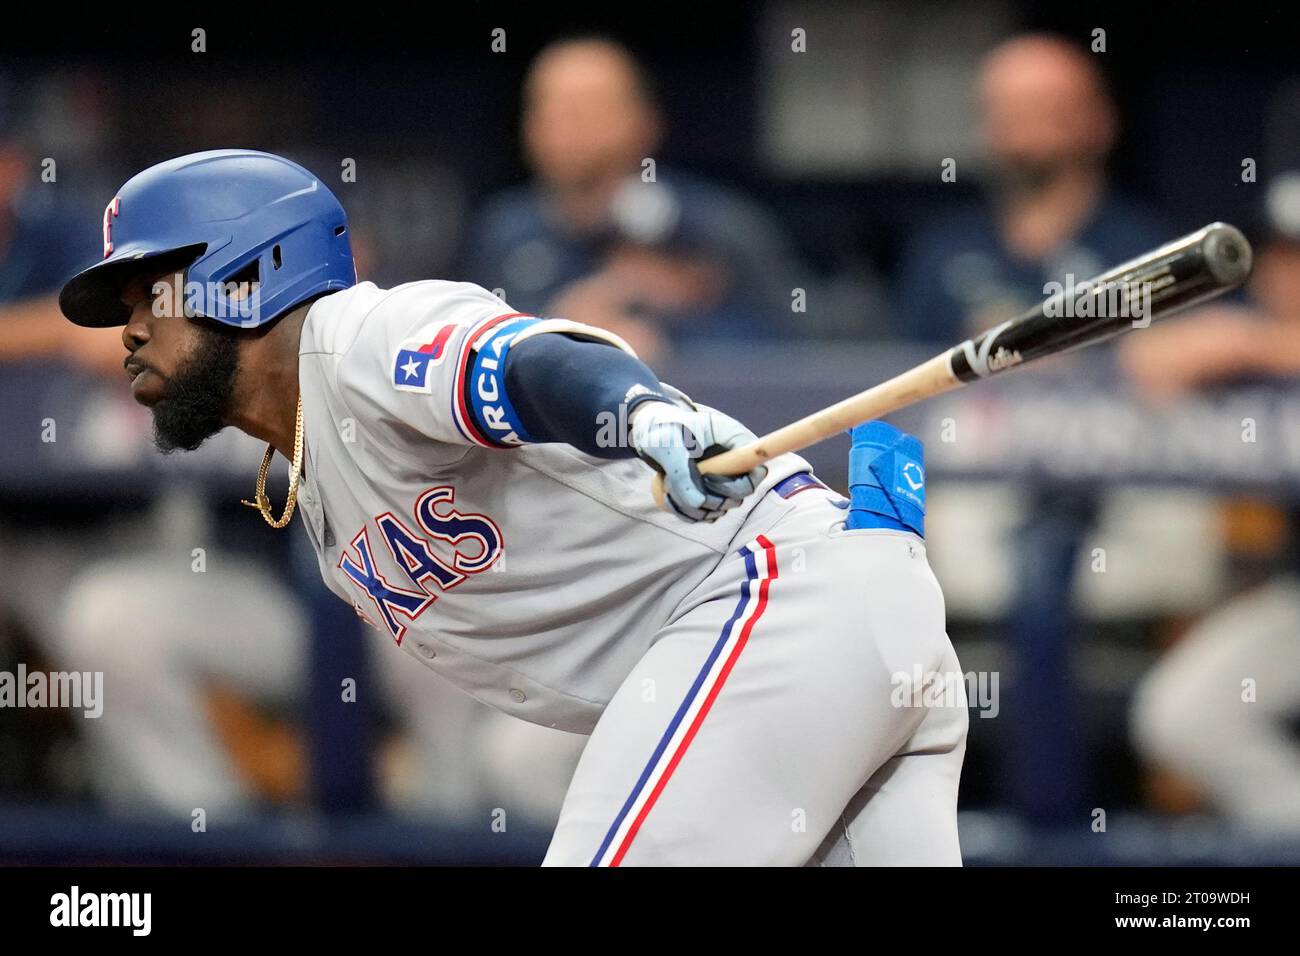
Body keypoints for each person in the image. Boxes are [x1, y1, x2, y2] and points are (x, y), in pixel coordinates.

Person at [58, 148, 966, 865]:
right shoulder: (313, 473)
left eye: (154, 291)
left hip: (778, 604)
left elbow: (529, 363)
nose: (130, 329)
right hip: (846, 634)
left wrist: (637, 411)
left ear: (249, 277)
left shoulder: (362, 336)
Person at [1121, 187, 1300, 835]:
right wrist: (1241, 342)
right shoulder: (1249, 346)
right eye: (1281, 257)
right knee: (1185, 712)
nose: (1289, 277)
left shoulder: (1260, 347)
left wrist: (1261, 345)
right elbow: (1145, 358)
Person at [465, 37, 805, 361]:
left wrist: (670, 334)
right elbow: (466, 353)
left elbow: (796, 346)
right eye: (546, 107)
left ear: (644, 121)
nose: (563, 125)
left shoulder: (716, 225)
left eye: (587, 108)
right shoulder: (504, 230)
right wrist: (560, 329)